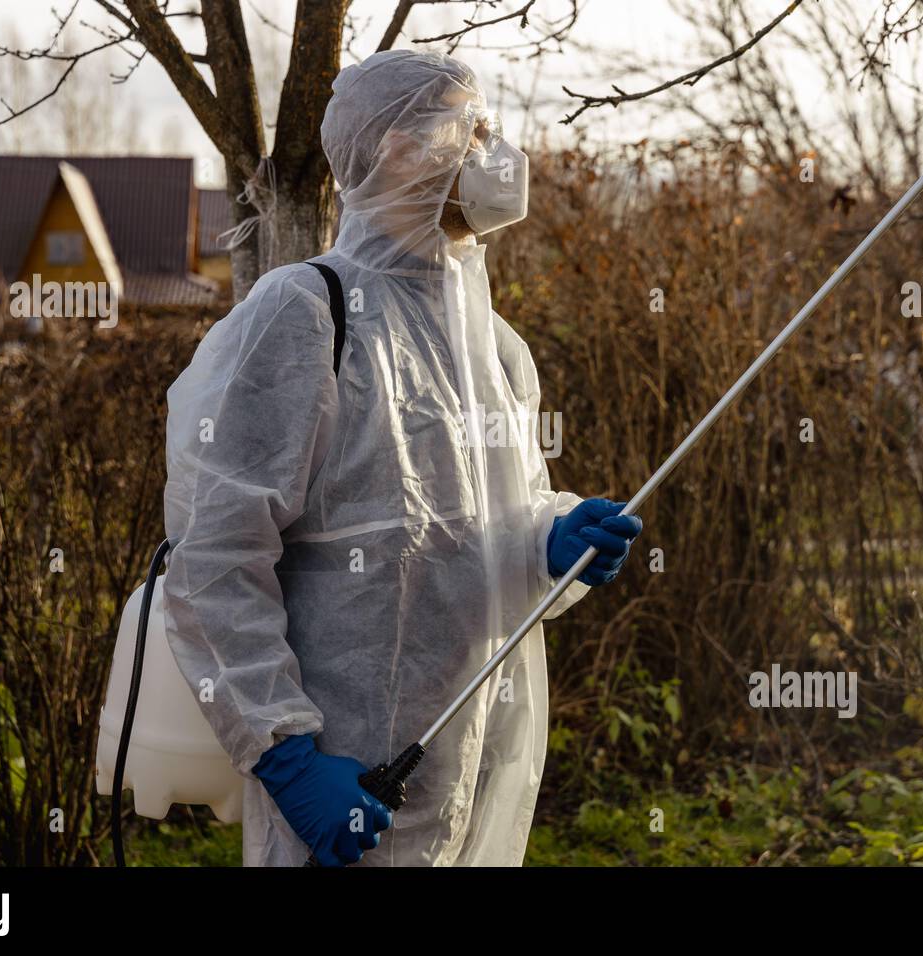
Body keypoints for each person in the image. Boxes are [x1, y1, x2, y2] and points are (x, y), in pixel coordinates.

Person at [161, 49, 642, 867]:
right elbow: (213, 555)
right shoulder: (305, 313)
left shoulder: (494, 348)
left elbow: (477, 527)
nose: (496, 151)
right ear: (393, 148)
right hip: (343, 781)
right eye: (471, 127)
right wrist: (285, 755)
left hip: (463, 775)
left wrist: (548, 543)